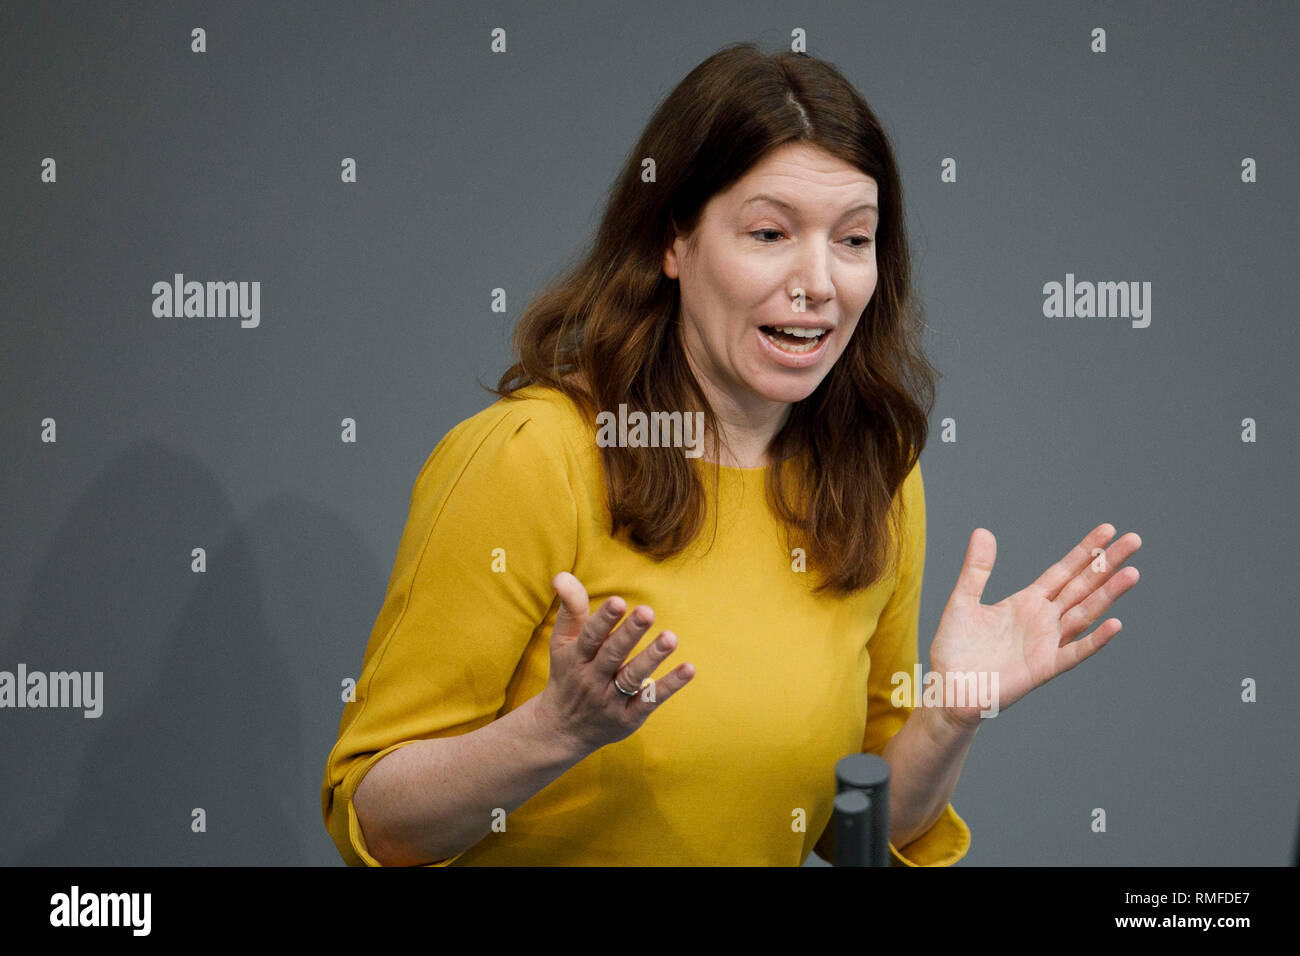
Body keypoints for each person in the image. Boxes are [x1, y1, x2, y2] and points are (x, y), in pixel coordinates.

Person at [320, 42, 1141, 866]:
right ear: (672, 242)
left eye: (854, 240)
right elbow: (378, 818)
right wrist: (554, 732)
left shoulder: (873, 476)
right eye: (770, 231)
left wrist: (952, 714)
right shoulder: (532, 457)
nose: (818, 281)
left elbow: (860, 831)